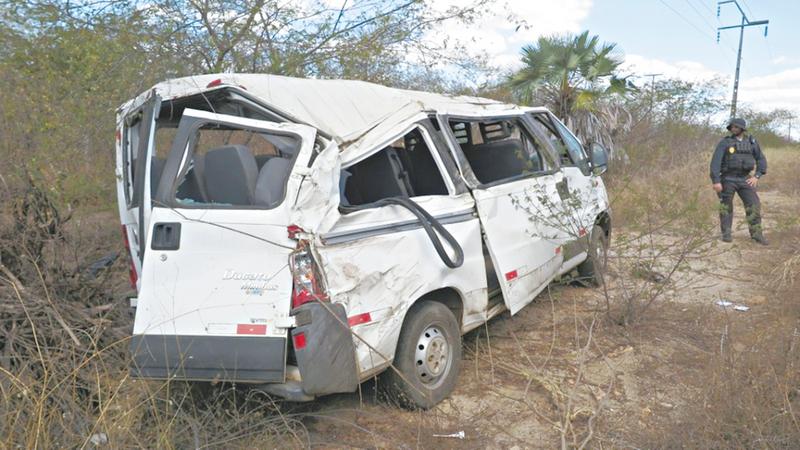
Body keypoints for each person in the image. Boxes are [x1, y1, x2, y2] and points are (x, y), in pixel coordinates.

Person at [709, 118, 768, 245]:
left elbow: (761, 159)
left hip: (745, 179)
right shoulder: (725, 142)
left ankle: (757, 235)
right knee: (726, 207)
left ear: (742, 128)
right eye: (732, 127)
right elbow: (715, 162)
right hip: (727, 179)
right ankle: (726, 234)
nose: (733, 129)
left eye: (736, 127)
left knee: (754, 206)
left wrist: (756, 176)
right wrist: (716, 181)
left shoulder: (752, 142)